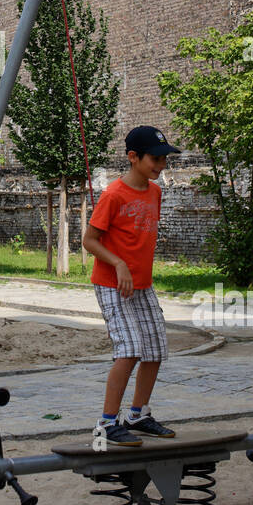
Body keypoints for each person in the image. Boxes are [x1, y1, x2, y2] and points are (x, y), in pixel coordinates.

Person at [82, 126, 181, 446]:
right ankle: (107, 423)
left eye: (165, 159)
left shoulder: (155, 192)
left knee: (155, 349)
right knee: (130, 349)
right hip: (113, 284)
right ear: (133, 157)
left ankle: (137, 415)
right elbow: (89, 241)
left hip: (143, 285)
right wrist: (119, 263)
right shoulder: (113, 195)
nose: (161, 165)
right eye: (155, 158)